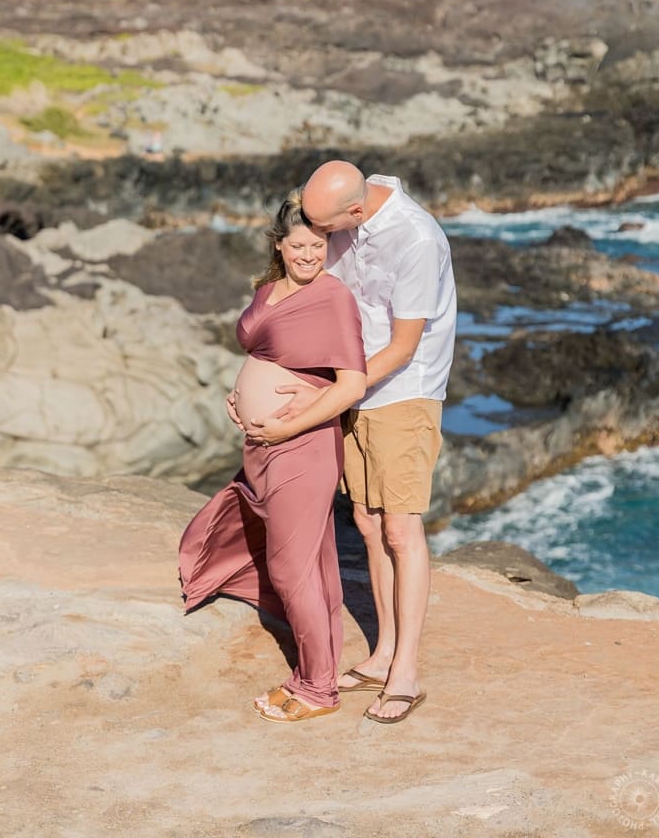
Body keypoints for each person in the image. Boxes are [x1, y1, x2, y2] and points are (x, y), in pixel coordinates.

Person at [178, 190, 366, 723]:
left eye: (318, 245)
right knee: (311, 565)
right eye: (298, 245)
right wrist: (239, 395)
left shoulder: (332, 298)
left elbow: (351, 384)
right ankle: (318, 670)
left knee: (289, 568)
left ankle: (317, 689)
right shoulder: (267, 290)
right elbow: (266, 354)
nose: (309, 255)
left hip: (303, 445)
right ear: (279, 245)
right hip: (264, 446)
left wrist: (285, 426)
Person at [299, 160, 457, 724]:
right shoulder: (349, 218)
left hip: (405, 393)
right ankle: (384, 652)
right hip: (359, 391)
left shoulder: (416, 239)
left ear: (355, 210)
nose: (319, 236)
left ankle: (406, 671)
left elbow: (404, 347)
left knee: (400, 529)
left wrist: (335, 394)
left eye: (324, 228)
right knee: (367, 522)